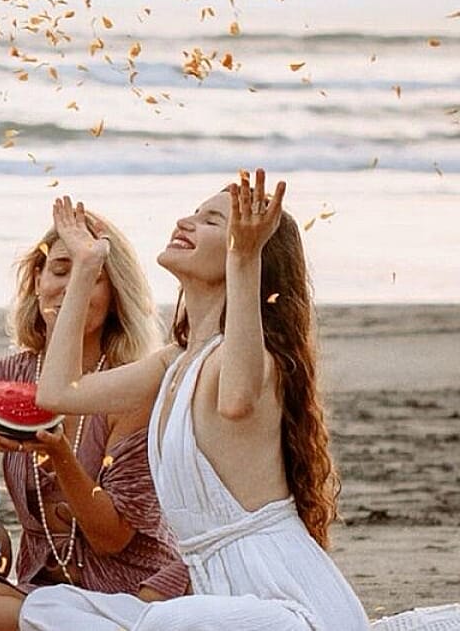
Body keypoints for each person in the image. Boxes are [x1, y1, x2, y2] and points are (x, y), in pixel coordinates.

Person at [19, 171, 370, 630]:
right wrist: (85, 266)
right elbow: (59, 392)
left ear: (248, 249)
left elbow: (236, 399)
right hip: (210, 604)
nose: (185, 221)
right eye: (194, 213)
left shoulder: (253, 359)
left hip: (287, 607)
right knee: (47, 607)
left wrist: (244, 260)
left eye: (211, 222)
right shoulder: (175, 362)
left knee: (170, 623)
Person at [0, 211, 188, 631]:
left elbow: (112, 537)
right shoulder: (4, 377)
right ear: (37, 281)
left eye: (92, 274)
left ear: (116, 291)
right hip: (41, 593)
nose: (71, 287)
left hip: (136, 590)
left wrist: (59, 453)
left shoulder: (132, 384)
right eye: (60, 270)